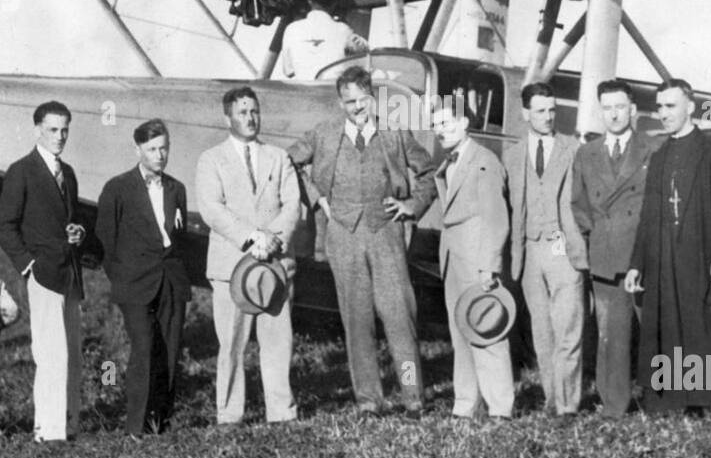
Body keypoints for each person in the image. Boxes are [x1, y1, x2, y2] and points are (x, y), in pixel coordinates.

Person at [288, 65, 435, 418]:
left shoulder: (395, 133)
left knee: (399, 317)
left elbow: (428, 173)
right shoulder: (323, 134)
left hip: (386, 234)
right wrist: (317, 198)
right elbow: (286, 161)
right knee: (356, 320)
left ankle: (413, 395)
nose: (356, 107)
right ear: (340, 103)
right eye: (348, 101)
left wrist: (411, 204)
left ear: (372, 98)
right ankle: (369, 399)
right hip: (343, 235)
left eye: (361, 99)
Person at [626, 78, 711, 412]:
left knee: (708, 329)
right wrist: (638, 263)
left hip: (703, 256)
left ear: (690, 107)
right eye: (660, 107)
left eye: (671, 106)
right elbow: (649, 217)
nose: (663, 114)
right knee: (672, 328)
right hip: (666, 261)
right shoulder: (660, 157)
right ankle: (678, 400)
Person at [195, 86, 301, 425]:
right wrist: (250, 237)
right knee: (231, 345)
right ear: (227, 117)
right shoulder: (211, 159)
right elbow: (212, 209)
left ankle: (281, 412)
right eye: (242, 112)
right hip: (231, 268)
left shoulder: (279, 156)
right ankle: (229, 413)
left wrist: (272, 239)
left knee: (278, 342)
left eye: (254, 111)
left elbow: (293, 204)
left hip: (275, 267)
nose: (250, 118)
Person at [0, 101, 86, 443]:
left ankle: (69, 424)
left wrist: (79, 233)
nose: (60, 137)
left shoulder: (70, 173)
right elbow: (4, 226)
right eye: (52, 130)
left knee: (72, 354)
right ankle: (48, 431)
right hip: (44, 275)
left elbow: (70, 220)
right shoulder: (21, 171)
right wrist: (28, 264)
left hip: (70, 274)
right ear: (37, 130)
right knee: (52, 354)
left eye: (64, 130)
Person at [96, 119, 192, 437]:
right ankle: (136, 427)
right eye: (152, 149)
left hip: (171, 281)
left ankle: (161, 423)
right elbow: (105, 240)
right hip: (134, 283)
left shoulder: (177, 188)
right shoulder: (117, 188)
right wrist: (122, 277)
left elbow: (179, 240)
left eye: (164, 148)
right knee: (144, 349)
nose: (159, 155)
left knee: (170, 350)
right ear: (137, 149)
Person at [570, 78, 659, 419]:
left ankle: (661, 401)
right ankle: (614, 406)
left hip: (644, 255)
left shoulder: (652, 150)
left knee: (655, 331)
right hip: (606, 258)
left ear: (633, 110)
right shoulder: (586, 153)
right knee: (611, 337)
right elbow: (578, 204)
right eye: (607, 108)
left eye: (620, 107)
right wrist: (600, 234)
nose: (614, 115)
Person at [502, 82, 587, 422]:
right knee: (542, 329)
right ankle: (553, 399)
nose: (548, 116)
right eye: (540, 110)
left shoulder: (574, 149)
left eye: (552, 110)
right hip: (530, 250)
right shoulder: (512, 155)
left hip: (562, 247)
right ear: (525, 114)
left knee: (568, 324)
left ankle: (568, 404)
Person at [431, 102, 514, 420]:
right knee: (460, 332)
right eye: (436, 124)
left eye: (447, 122)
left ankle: (500, 409)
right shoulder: (450, 162)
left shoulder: (484, 161)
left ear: (465, 122)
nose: (441, 130)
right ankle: (465, 404)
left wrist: (489, 266)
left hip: (477, 262)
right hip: (454, 260)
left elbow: (496, 219)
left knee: (488, 331)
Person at [279, 0, 367, 80]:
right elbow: (359, 67)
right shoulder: (344, 29)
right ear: (334, 3)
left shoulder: (291, 29)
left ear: (310, 0)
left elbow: (288, 71)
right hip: (333, 92)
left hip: (304, 93)